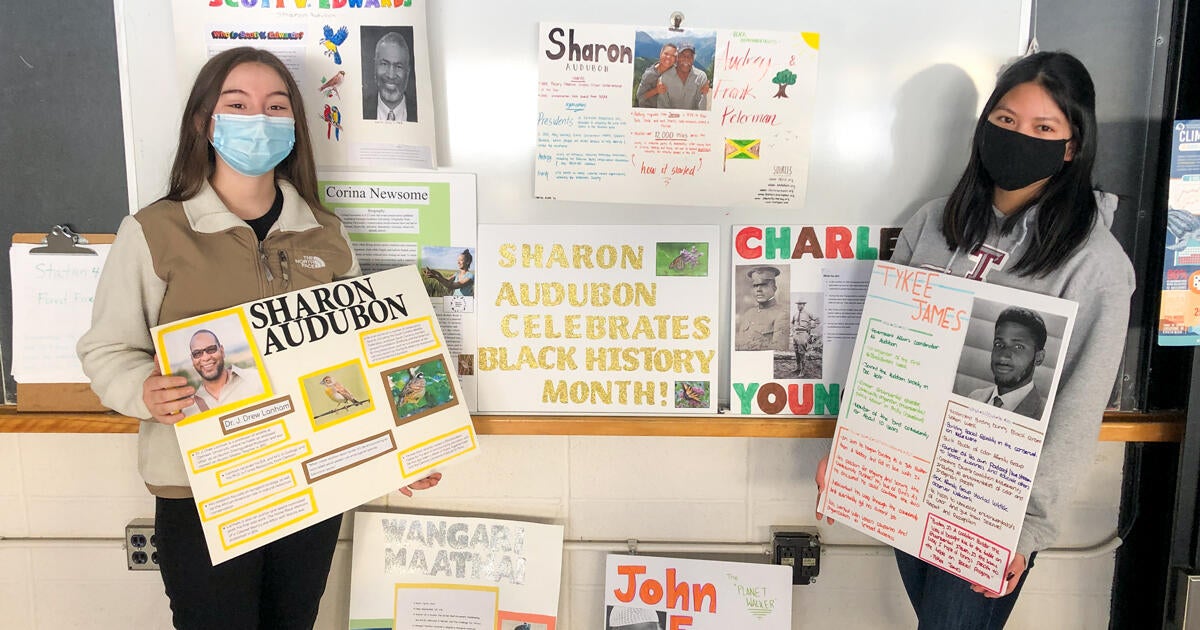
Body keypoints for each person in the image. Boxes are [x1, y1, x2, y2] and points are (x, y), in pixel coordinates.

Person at [77, 47, 439, 630]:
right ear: (205, 121)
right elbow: (107, 348)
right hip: (202, 490)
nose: (259, 119)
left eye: (276, 107)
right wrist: (142, 389)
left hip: (312, 482)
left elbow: (363, 361)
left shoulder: (326, 234)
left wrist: (398, 453)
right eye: (238, 105)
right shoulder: (154, 232)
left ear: (294, 125)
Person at [816, 51, 1134, 628]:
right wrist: (851, 452)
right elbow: (885, 352)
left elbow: (1078, 407)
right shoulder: (933, 223)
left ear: (1072, 146)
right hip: (907, 477)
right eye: (1006, 120)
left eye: (1044, 128)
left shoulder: (1096, 264)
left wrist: (1028, 528)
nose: (1019, 137)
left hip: (992, 503)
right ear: (985, 124)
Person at [966, 306, 1049, 421]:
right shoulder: (974, 397)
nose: (1003, 356)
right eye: (999, 344)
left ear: (1038, 358)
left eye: (1018, 347)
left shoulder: (1044, 416)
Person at [185, 329, 263, 414]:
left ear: (222, 351)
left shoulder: (257, 378)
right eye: (197, 353)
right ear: (192, 359)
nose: (205, 358)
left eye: (211, 349)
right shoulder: (189, 409)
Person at [363, 31, 417, 122]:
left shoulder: (421, 113)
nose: (391, 75)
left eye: (399, 66)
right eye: (384, 64)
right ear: (375, 66)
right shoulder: (360, 108)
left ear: (408, 71)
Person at [734, 266, 790, 351]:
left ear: (774, 288)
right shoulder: (748, 314)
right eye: (755, 286)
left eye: (764, 285)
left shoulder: (782, 315)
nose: (759, 290)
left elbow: (780, 350)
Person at [654, 43, 710, 110]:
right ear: (677, 57)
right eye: (682, 55)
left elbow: (701, 107)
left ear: (693, 59)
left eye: (690, 56)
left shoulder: (701, 77)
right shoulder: (665, 78)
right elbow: (662, 107)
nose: (686, 59)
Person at [635, 43, 676, 108]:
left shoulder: (675, 71)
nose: (669, 57)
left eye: (673, 55)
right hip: (649, 109)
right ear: (660, 54)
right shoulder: (649, 74)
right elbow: (640, 97)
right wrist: (656, 90)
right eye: (666, 54)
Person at [791, 300, 820, 374]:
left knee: (802, 353)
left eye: (800, 304)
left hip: (803, 334)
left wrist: (811, 327)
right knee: (796, 352)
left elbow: (817, 320)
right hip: (796, 335)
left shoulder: (808, 313)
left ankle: (802, 371)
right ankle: (798, 368)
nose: (798, 306)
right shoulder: (795, 314)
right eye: (797, 304)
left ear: (804, 305)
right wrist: (793, 331)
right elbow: (792, 323)